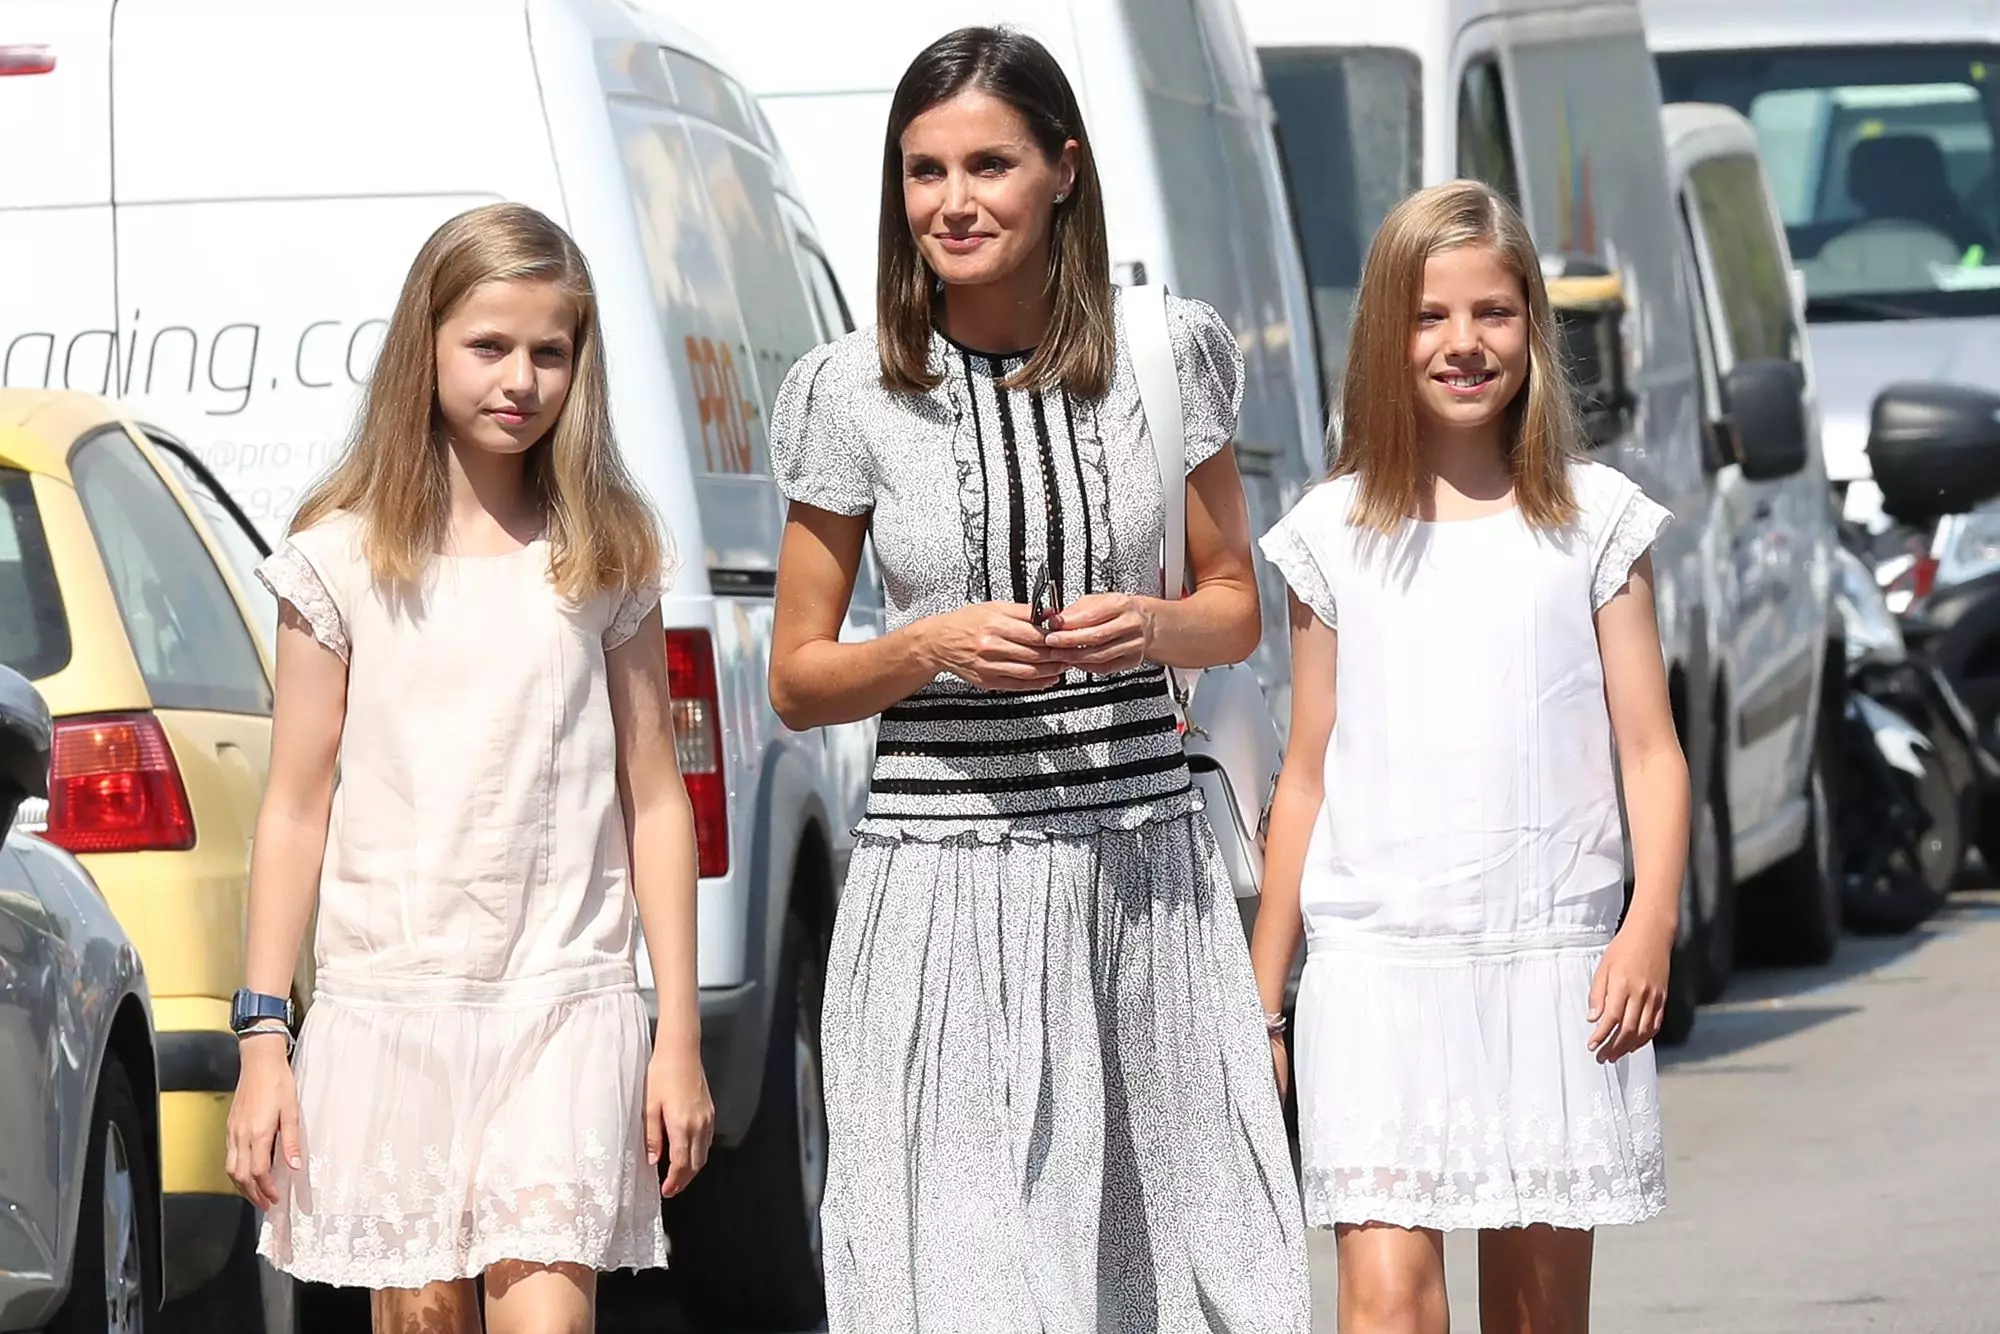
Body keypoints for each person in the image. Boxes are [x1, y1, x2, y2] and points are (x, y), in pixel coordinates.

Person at [765, 25, 1311, 1334]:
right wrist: (927, 647)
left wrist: (1154, 625)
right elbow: (797, 675)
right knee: (972, 1281)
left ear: (1064, 169)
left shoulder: (1165, 356)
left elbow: (1236, 609)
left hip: (1142, 884)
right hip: (942, 896)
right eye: (923, 172)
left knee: (1175, 1259)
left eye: (988, 165)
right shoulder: (851, 391)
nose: (951, 202)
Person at [222, 202, 712, 1334]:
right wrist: (262, 1038)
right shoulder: (339, 555)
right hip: (393, 1004)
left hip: (564, 1001)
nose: (522, 379)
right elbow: (293, 808)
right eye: (489, 345)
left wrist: (673, 1035)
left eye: (551, 350)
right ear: (425, 344)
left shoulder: (607, 551)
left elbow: (655, 798)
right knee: (426, 1318)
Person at [1252, 180, 1683, 1334]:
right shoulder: (1328, 533)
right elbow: (1304, 770)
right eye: (1429, 315)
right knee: (1384, 1299)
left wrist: (1647, 921)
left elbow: (1649, 750)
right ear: (1384, 335)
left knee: (1537, 1316)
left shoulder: (1596, 522)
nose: (1462, 343)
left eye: (1491, 312)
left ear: (1530, 326)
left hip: (1552, 968)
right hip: (1378, 971)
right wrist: (1263, 992)